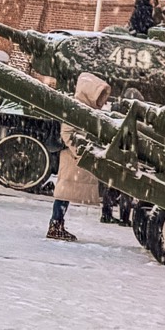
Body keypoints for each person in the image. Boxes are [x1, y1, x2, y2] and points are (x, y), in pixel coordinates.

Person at [47, 72, 112, 242]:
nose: (103, 101)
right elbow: (67, 132)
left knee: (66, 193)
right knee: (64, 193)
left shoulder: (83, 109)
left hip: (74, 158)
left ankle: (57, 225)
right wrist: (80, 152)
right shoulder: (76, 109)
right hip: (72, 158)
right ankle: (55, 225)